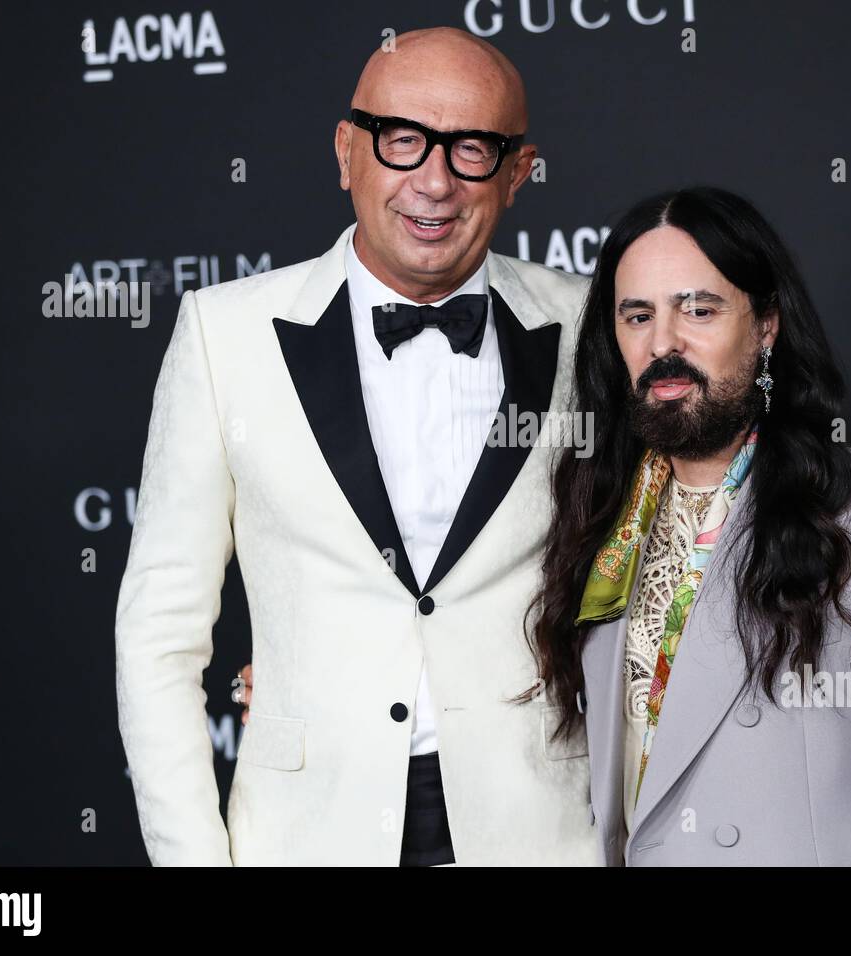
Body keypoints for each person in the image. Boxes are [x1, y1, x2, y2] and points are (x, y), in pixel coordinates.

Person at [115, 27, 600, 865]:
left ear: (519, 172)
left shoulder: (593, 325)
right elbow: (159, 635)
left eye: (474, 148)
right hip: (301, 834)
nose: (435, 181)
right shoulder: (222, 335)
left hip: (542, 832)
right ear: (347, 151)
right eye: (402, 139)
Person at [523, 186, 851, 865]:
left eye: (699, 308)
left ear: (767, 325)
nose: (664, 341)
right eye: (637, 316)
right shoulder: (602, 528)